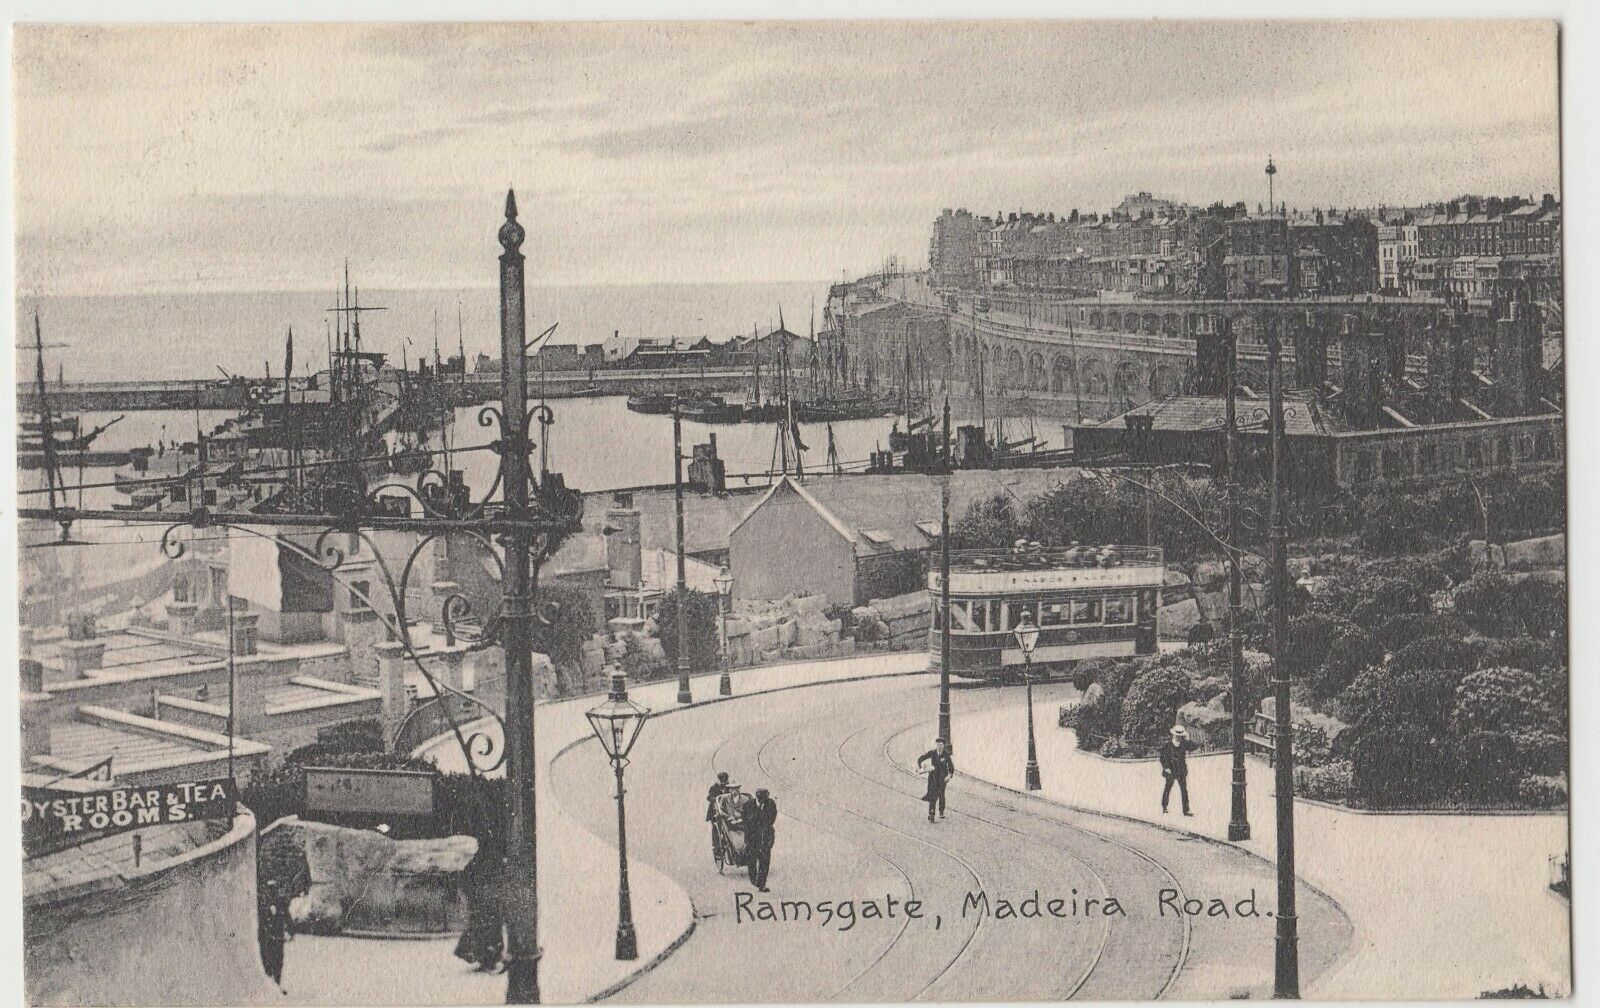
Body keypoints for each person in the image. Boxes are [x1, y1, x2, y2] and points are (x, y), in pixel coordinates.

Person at [1158, 724, 1198, 816]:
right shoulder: (1167, 745)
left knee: (1184, 790)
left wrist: (1188, 739)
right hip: (1170, 771)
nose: (1179, 737)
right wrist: (1166, 767)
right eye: (1177, 735)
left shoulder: (1184, 743)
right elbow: (1162, 758)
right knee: (1168, 788)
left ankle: (1186, 810)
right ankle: (1164, 807)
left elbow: (1194, 747)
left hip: (1181, 770)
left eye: (1180, 736)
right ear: (1173, 735)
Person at [257, 879, 290, 988]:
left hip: (277, 937)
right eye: (271, 889)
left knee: (278, 961)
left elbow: (286, 916)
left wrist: (289, 930)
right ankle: (272, 983)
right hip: (268, 937)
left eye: (274, 889)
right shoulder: (262, 903)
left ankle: (277, 983)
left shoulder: (281, 902)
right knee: (269, 960)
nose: (273, 891)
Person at [746, 788, 778, 892]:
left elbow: (772, 817)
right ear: (756, 797)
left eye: (764, 800)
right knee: (752, 860)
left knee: (765, 860)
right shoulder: (749, 805)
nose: (762, 802)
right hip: (752, 837)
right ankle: (754, 879)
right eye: (760, 800)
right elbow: (746, 820)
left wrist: (765, 826)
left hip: (766, 836)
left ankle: (762, 884)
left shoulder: (770, 803)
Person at [917, 738, 956, 822]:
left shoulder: (946, 755)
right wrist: (921, 766)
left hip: (942, 779)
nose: (939, 747)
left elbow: (951, 768)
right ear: (936, 745)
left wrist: (949, 776)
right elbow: (922, 758)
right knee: (932, 795)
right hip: (933, 778)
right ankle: (931, 814)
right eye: (938, 745)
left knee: (941, 794)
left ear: (943, 745)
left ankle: (941, 811)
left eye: (941, 745)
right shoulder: (932, 753)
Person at [706, 772, 733, 858]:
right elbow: (709, 797)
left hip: (726, 809)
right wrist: (716, 799)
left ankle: (731, 849)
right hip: (715, 811)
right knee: (717, 829)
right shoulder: (714, 787)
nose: (725, 782)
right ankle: (717, 849)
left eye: (726, 780)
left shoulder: (729, 787)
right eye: (723, 780)